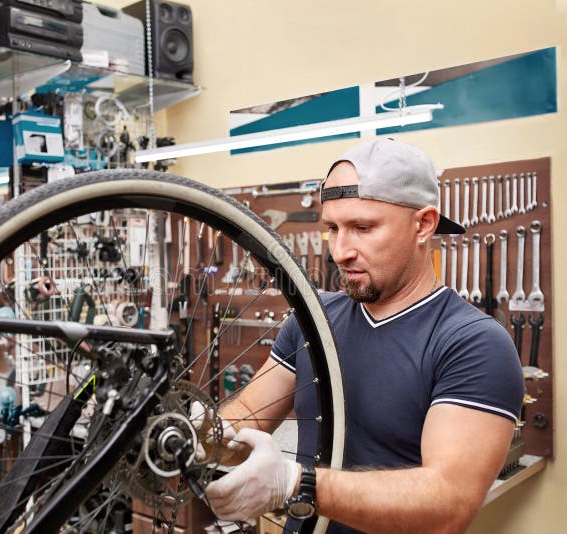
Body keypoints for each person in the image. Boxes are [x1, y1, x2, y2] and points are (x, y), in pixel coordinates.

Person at [204, 138, 525, 533]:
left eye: (362, 227)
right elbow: (245, 420)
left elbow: (448, 504)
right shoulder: (311, 321)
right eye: (332, 228)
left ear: (423, 224)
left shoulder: (474, 344)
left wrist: (295, 483)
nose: (340, 251)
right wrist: (193, 431)